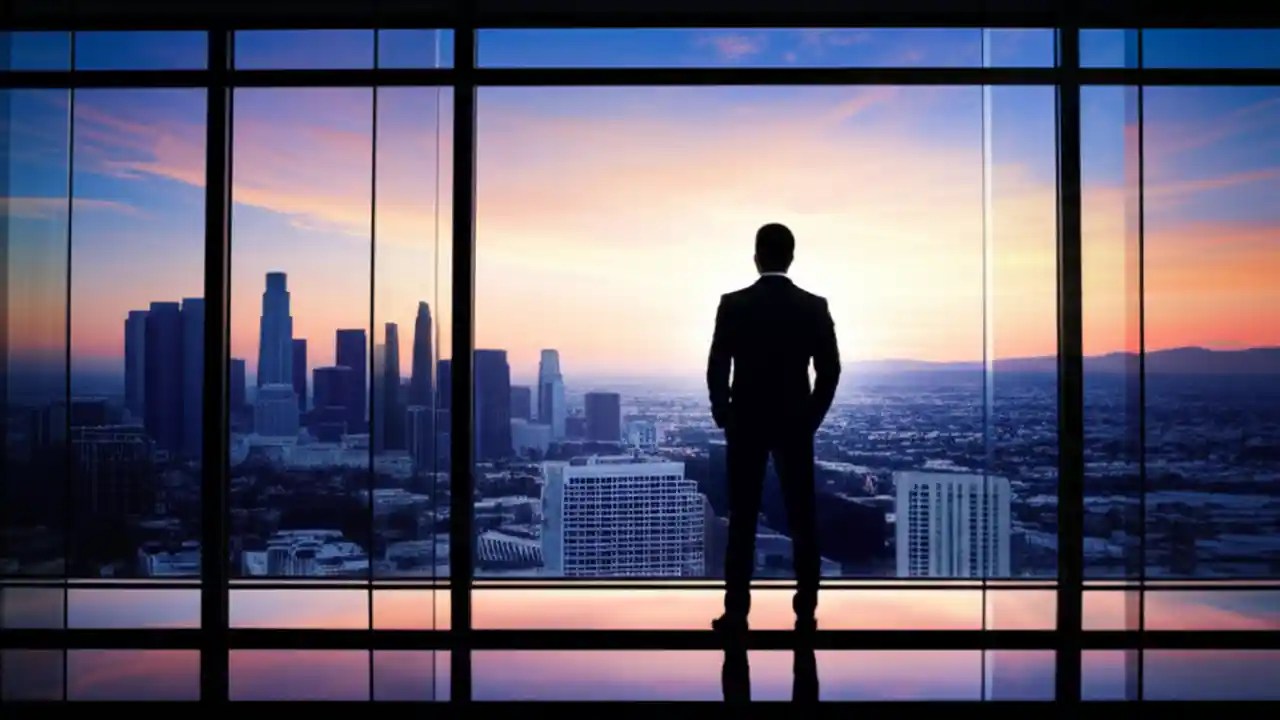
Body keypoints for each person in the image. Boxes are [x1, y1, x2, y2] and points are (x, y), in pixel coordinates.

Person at [706, 222, 841, 635]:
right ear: (791, 256)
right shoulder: (813, 306)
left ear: (756, 256)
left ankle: (736, 614)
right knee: (803, 518)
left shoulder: (733, 304)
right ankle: (805, 612)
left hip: (745, 424)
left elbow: (717, 366)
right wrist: (810, 418)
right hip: (794, 425)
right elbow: (830, 370)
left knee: (742, 520)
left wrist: (724, 413)